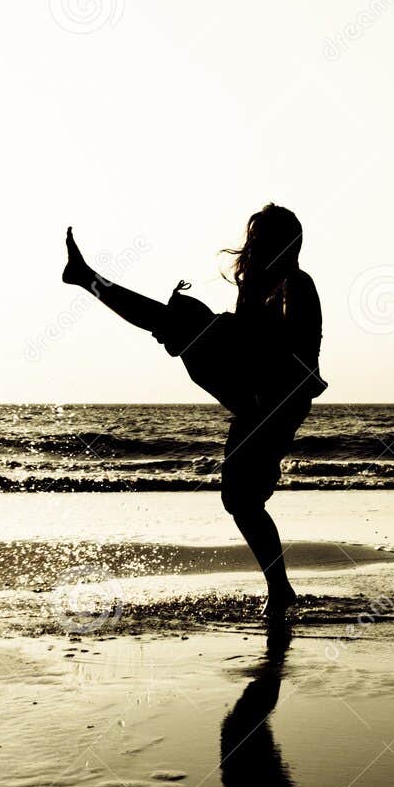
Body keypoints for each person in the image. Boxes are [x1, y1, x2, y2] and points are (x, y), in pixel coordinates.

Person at [61, 204, 326, 619]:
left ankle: (281, 590)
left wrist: (218, 337)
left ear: (285, 244)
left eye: (262, 239)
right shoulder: (255, 284)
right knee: (241, 499)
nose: (253, 246)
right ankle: (281, 590)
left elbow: (291, 350)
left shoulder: (297, 283)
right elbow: (244, 346)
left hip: (281, 397)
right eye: (252, 238)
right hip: (254, 392)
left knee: (241, 499)